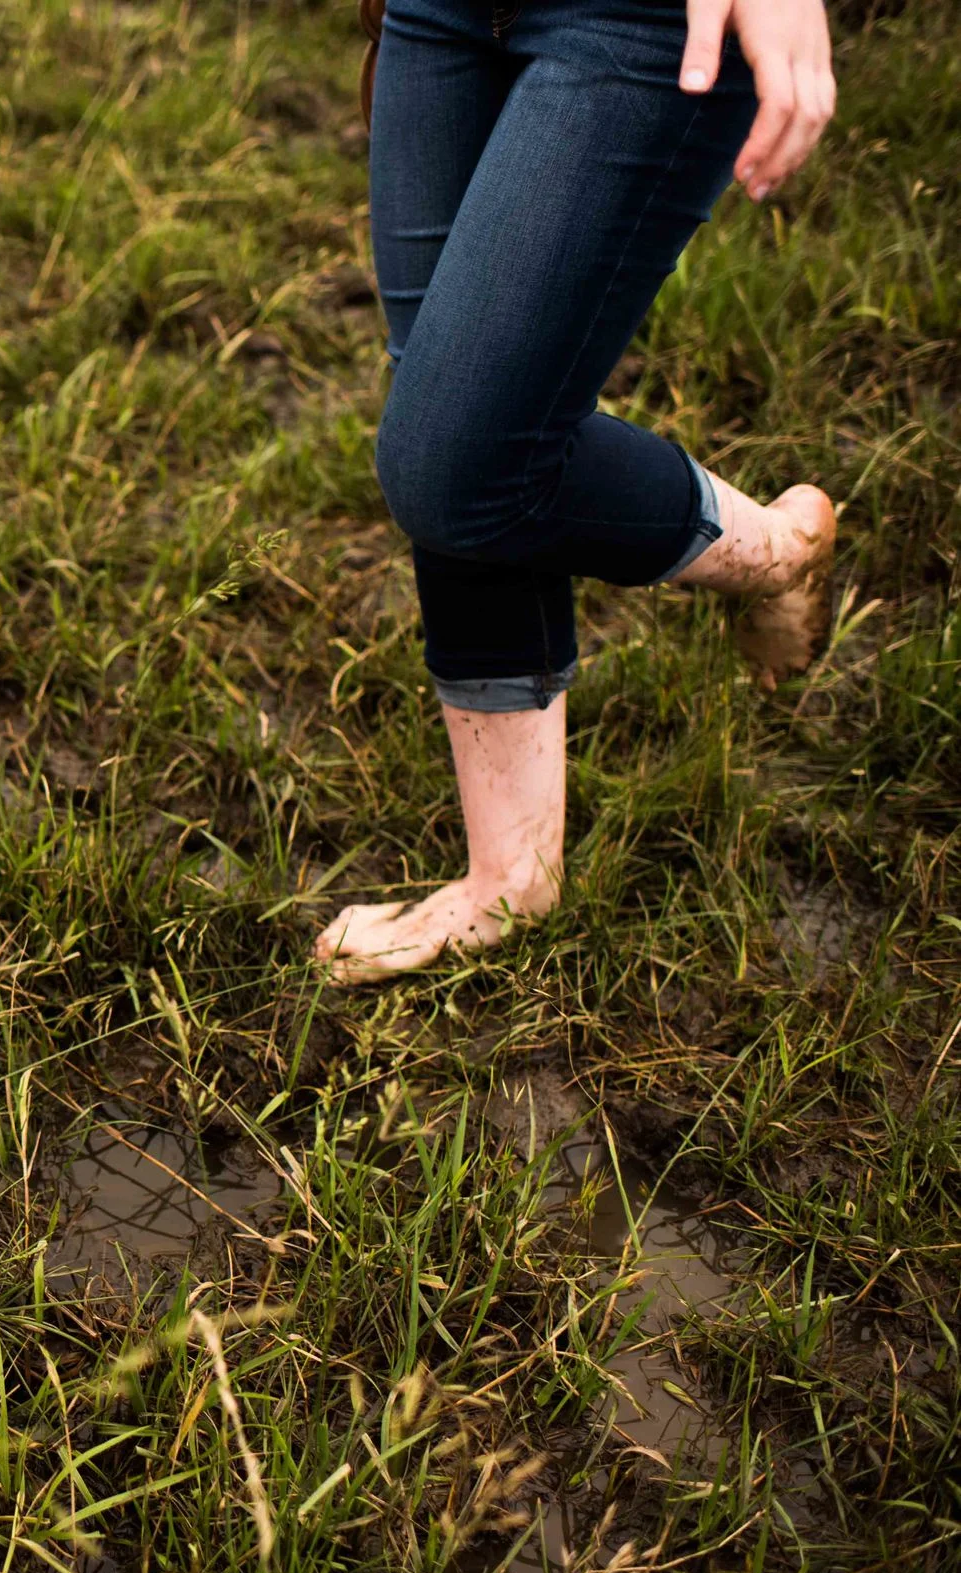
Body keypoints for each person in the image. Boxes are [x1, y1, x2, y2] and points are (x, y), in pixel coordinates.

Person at [315, 0, 839, 984]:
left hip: (644, 20)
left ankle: (772, 554)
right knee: (453, 387)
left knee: (457, 456)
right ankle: (509, 875)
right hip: (440, 12)